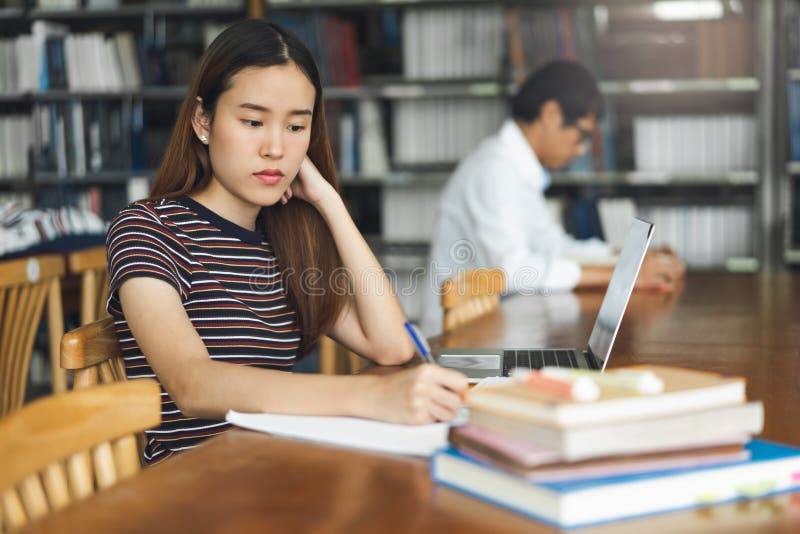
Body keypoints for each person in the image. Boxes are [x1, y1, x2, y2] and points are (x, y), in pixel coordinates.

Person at [106, 20, 467, 465]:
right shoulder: (147, 229)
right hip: (192, 492)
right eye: (253, 121)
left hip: (276, 470)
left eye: (296, 128)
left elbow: (391, 345)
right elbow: (193, 385)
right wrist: (368, 395)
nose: (275, 148)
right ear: (204, 120)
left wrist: (329, 201)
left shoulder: (284, 239)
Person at [423, 60, 684, 335]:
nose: (582, 149)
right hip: (458, 343)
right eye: (581, 134)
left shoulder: (515, 168)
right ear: (551, 114)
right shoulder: (494, 171)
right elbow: (514, 271)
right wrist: (620, 276)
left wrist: (623, 258)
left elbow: (552, 246)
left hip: (497, 327)